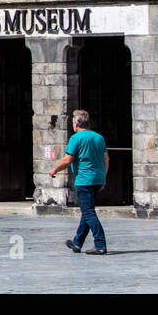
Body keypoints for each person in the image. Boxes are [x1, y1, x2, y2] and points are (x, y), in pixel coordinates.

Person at [49, 109, 109, 255]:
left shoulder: (76, 138)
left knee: (88, 212)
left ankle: (100, 244)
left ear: (76, 123)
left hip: (84, 180)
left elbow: (68, 160)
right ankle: (77, 243)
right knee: (86, 212)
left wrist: (55, 170)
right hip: (97, 179)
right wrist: (103, 178)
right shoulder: (99, 138)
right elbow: (106, 159)